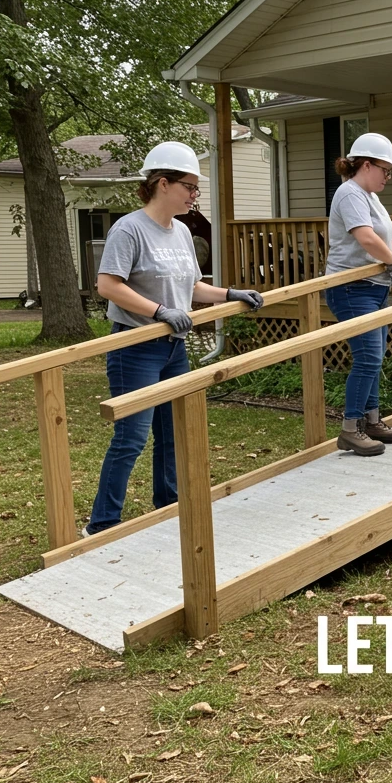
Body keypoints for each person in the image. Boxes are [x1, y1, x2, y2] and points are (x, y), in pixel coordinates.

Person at [86, 141, 264, 537]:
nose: (194, 195)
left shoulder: (181, 231)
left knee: (172, 433)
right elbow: (108, 285)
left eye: (196, 188)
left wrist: (229, 293)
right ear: (162, 183)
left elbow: (192, 286)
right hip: (135, 347)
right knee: (131, 438)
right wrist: (159, 311)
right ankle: (101, 524)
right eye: (189, 186)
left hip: (173, 349)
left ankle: (168, 506)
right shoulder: (128, 229)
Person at [325, 132, 392, 456]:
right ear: (366, 165)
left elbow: (381, 237)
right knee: (368, 357)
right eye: (385, 169)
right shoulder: (349, 193)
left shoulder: (369, 195)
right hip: (351, 289)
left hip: (374, 288)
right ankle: (350, 430)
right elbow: (366, 238)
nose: (388, 176)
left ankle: (371, 421)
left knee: (375, 357)